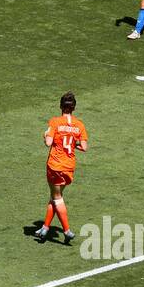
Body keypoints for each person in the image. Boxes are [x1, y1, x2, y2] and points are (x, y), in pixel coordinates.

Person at [35, 91, 87, 245]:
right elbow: (84, 146)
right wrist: (72, 143)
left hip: (55, 165)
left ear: (60, 106)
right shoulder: (79, 125)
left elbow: (48, 143)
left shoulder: (55, 122)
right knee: (55, 196)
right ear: (74, 108)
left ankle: (66, 231)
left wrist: (45, 135)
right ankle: (45, 227)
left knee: (57, 198)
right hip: (69, 165)